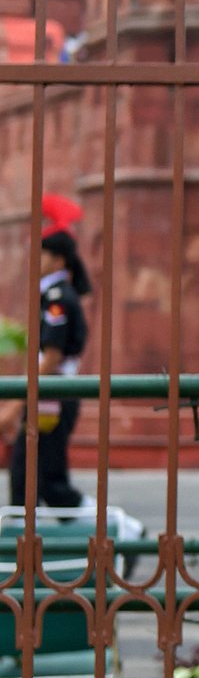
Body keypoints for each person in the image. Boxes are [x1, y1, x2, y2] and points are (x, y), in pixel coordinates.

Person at [7, 216, 92, 510]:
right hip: (50, 394)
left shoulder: (58, 298)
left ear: (58, 260)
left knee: (50, 483)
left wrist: (15, 405)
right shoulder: (54, 295)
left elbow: (52, 357)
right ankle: (21, 545)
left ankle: (125, 533)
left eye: (41, 253)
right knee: (24, 477)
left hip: (53, 395)